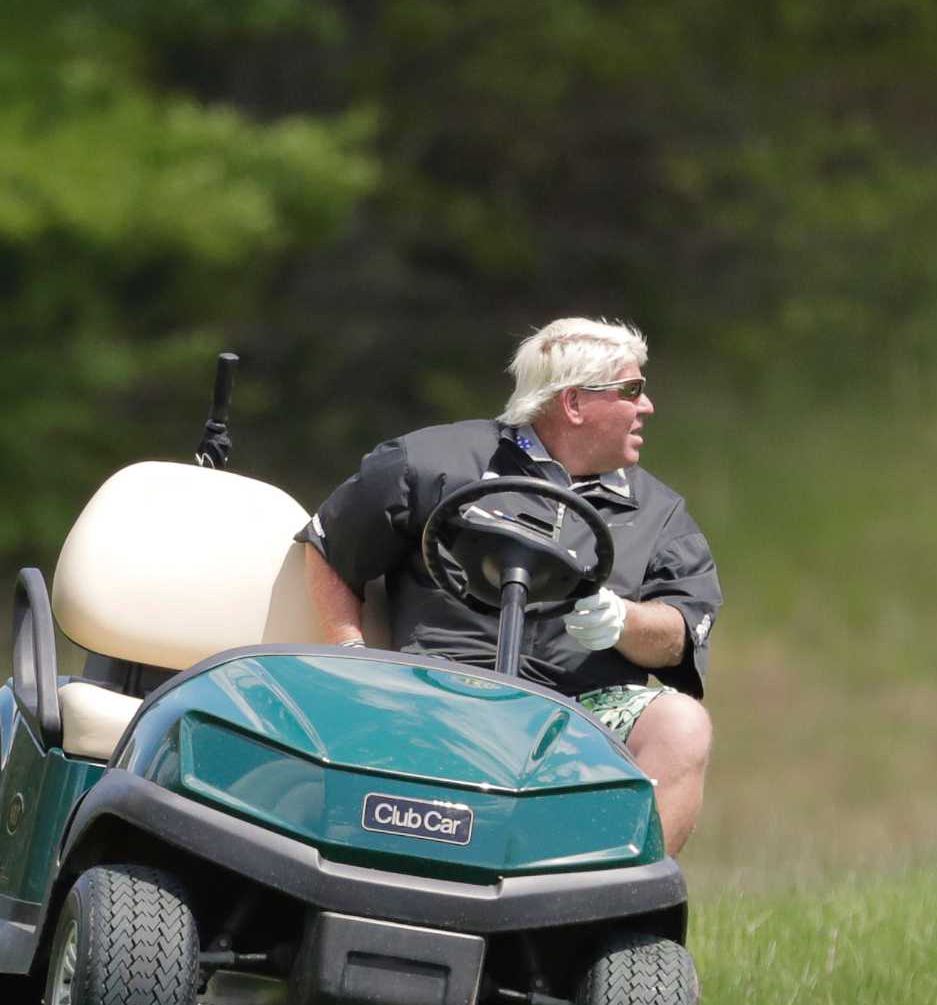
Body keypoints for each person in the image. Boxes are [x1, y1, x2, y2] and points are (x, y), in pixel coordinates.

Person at [296, 317, 720, 852]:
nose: (648, 406)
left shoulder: (660, 513)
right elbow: (329, 544)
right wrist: (348, 651)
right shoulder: (432, 461)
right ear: (573, 404)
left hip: (578, 716)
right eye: (631, 391)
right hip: (436, 691)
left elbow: (682, 629)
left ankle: (613, 905)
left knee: (682, 724)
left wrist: (623, 622)